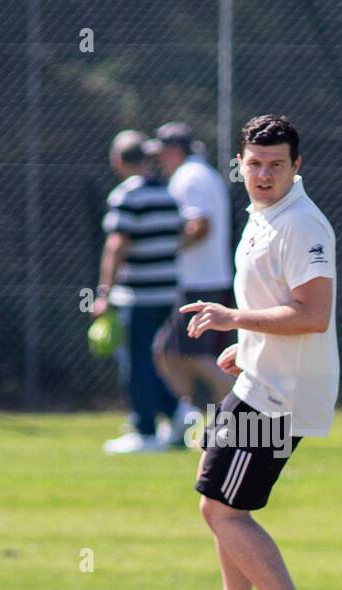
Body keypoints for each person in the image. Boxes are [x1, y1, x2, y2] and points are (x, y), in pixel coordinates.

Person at [169, 114, 336, 590]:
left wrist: (232, 318)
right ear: (239, 163)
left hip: (281, 397)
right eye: (255, 164)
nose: (264, 175)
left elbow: (312, 314)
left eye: (276, 165)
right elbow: (280, 302)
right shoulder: (262, 215)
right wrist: (247, 345)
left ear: (297, 166)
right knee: (218, 501)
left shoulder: (301, 225)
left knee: (223, 511)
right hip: (263, 378)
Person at [91, 130, 183, 454]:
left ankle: (145, 431)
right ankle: (175, 412)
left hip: (138, 294)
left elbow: (116, 244)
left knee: (136, 361)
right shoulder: (168, 194)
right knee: (152, 358)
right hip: (167, 291)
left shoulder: (125, 196)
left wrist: (104, 292)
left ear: (118, 161)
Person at [144, 123, 236, 440]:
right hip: (204, 280)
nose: (159, 160)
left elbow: (199, 226)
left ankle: (243, 413)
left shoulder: (189, 177)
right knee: (168, 352)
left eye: (161, 153)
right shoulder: (199, 173)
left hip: (199, 282)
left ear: (174, 151)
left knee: (195, 356)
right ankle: (183, 417)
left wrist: (165, 248)